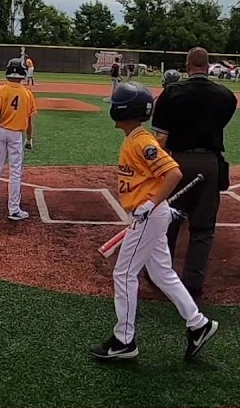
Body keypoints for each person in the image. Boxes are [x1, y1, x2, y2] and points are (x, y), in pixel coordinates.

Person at [90, 80, 219, 362]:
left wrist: (150, 203)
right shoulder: (135, 139)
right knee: (162, 274)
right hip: (149, 215)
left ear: (123, 110)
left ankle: (124, 340)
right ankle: (198, 324)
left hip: (147, 216)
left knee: (123, 274)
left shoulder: (142, 141)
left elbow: (173, 172)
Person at [151, 47, 238, 301]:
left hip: (176, 163)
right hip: (209, 163)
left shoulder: (171, 93)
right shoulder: (225, 96)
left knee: (168, 221)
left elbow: (162, 138)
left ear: (187, 66)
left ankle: (161, 277)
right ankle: (193, 284)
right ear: (209, 66)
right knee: (203, 228)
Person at [0, 58, 36, 221]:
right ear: (23, 74)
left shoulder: (1, 90)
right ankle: (14, 209)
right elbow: (30, 121)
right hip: (16, 134)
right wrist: (29, 139)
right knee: (15, 171)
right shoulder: (27, 94)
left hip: (0, 131)